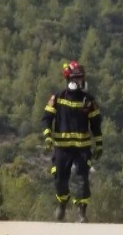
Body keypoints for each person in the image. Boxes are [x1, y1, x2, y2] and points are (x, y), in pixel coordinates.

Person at [41, 60, 104, 223]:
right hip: (62, 148)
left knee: (82, 179)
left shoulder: (88, 100)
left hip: (82, 148)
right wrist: (48, 136)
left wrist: (99, 144)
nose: (81, 80)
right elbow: (47, 118)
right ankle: (62, 203)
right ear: (69, 79)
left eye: (81, 77)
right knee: (60, 178)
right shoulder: (58, 98)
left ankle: (82, 212)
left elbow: (96, 124)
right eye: (78, 78)